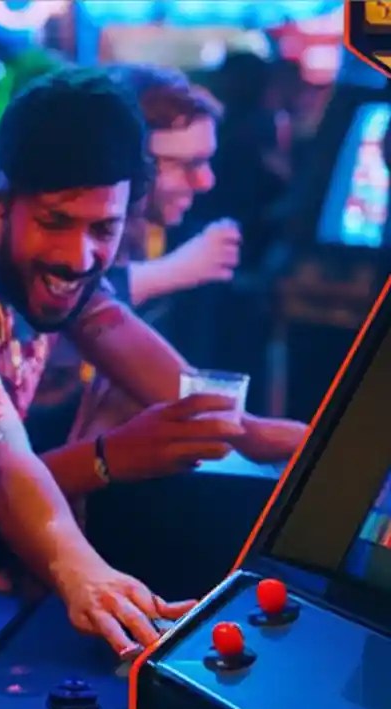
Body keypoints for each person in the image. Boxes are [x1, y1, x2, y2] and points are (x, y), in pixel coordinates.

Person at [0, 68, 309, 691]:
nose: (79, 255)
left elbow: (104, 321)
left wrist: (253, 433)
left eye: (103, 229)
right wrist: (84, 558)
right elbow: (1, 467)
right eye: (55, 222)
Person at [69, 63, 244, 443]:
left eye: (207, 161)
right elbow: (66, 308)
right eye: (187, 165)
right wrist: (175, 271)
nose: (206, 181)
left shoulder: (159, 233)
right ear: (127, 163)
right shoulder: (72, 227)